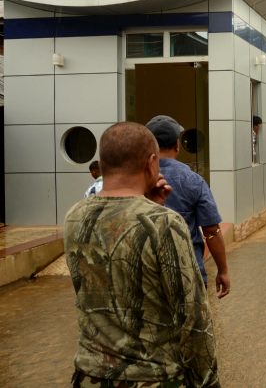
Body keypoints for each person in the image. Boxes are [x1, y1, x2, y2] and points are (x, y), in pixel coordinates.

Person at [64, 122, 219, 387]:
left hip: (90, 376)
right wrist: (209, 381)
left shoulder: (75, 216)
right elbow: (192, 319)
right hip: (152, 378)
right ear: (151, 163)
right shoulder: (164, 223)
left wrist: (148, 202)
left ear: (102, 164)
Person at [146, 115, 230, 298]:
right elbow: (211, 231)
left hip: (145, 277)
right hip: (188, 274)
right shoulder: (193, 181)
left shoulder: (137, 178)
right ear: (177, 145)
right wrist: (222, 270)